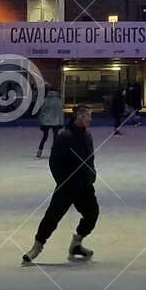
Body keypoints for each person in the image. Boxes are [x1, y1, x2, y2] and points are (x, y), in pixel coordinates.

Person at [22, 105, 98, 265]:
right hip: (67, 185)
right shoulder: (64, 137)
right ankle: (36, 247)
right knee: (52, 217)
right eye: (87, 116)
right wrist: (62, 181)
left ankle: (76, 244)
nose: (90, 119)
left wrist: (92, 174)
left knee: (92, 214)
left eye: (90, 116)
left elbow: (90, 158)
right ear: (78, 116)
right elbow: (54, 162)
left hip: (84, 186)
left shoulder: (87, 136)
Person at [37, 85, 64, 158]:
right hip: (55, 122)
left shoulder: (45, 100)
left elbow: (42, 112)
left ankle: (39, 151)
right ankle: (54, 152)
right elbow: (60, 113)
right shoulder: (58, 101)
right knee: (55, 138)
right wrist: (62, 123)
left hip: (46, 121)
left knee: (44, 137)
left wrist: (40, 122)